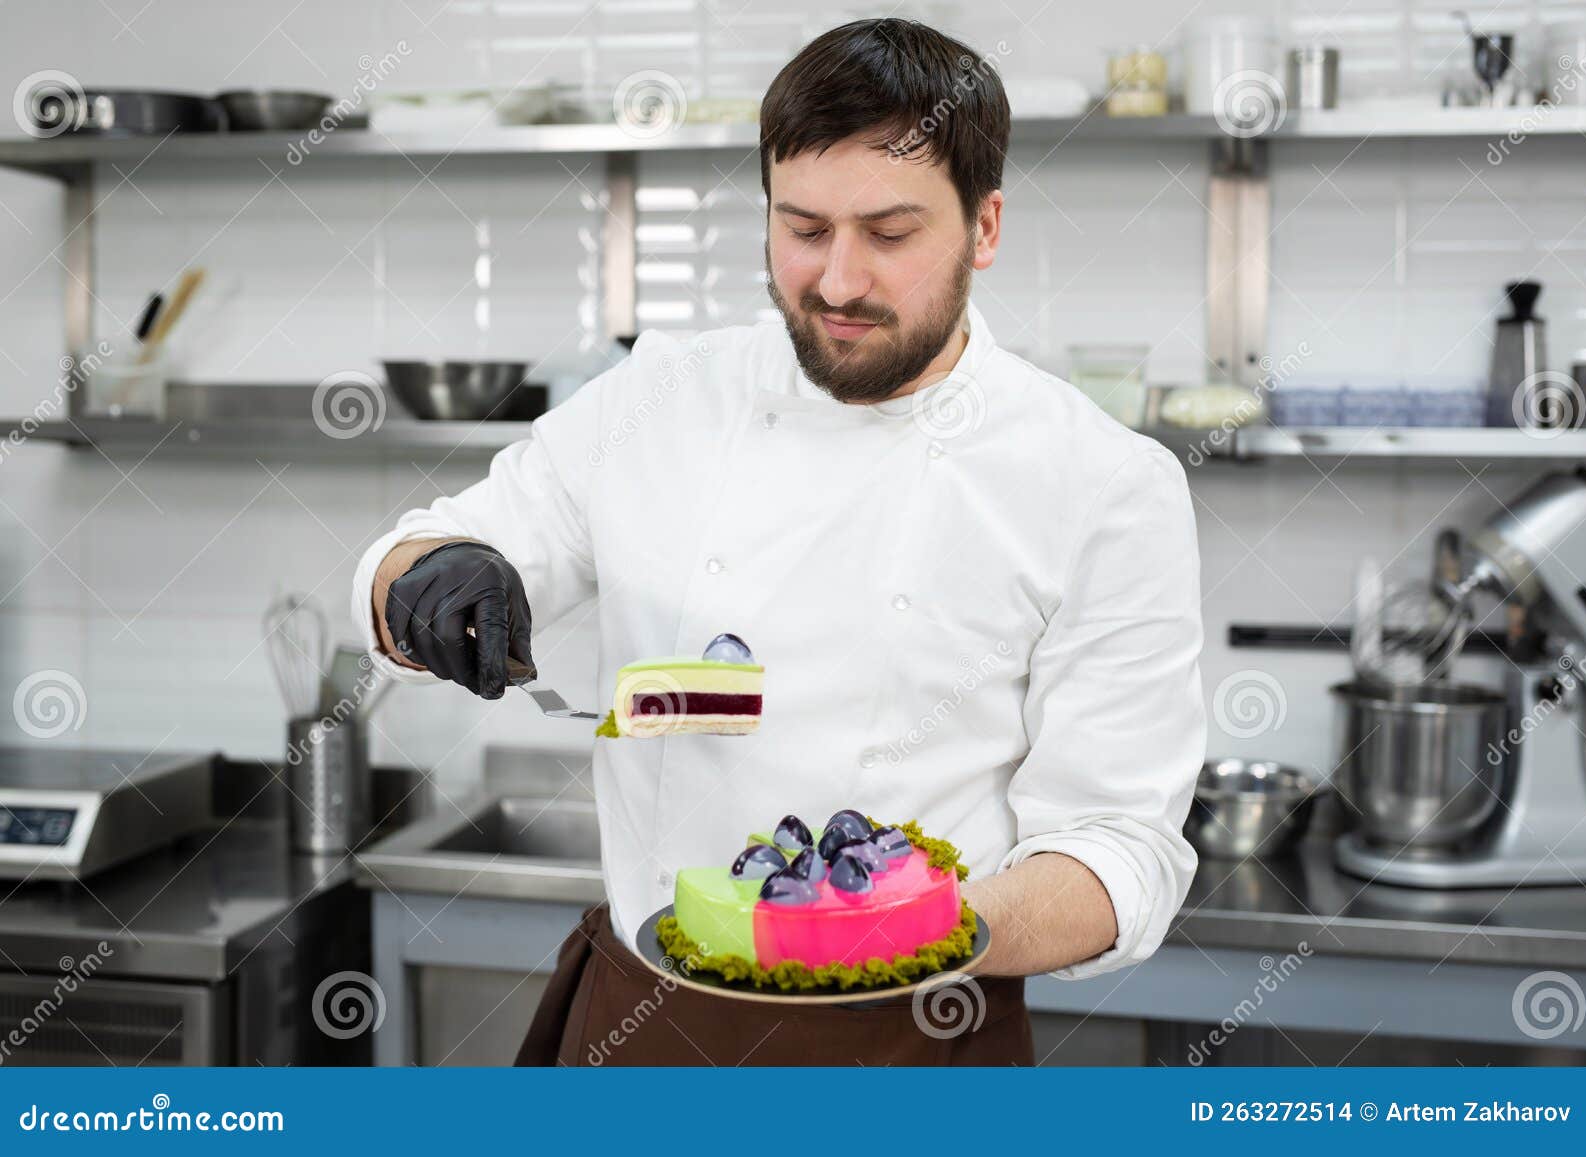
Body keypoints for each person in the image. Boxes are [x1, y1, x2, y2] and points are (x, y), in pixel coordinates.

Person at [352, 17, 1205, 1066]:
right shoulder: (663, 394)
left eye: (889, 234)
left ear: (984, 228)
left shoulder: (1103, 482)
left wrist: (899, 927)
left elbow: (1120, 853)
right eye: (802, 228)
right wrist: (424, 580)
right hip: (645, 1027)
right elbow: (422, 550)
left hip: (919, 1042)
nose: (838, 281)